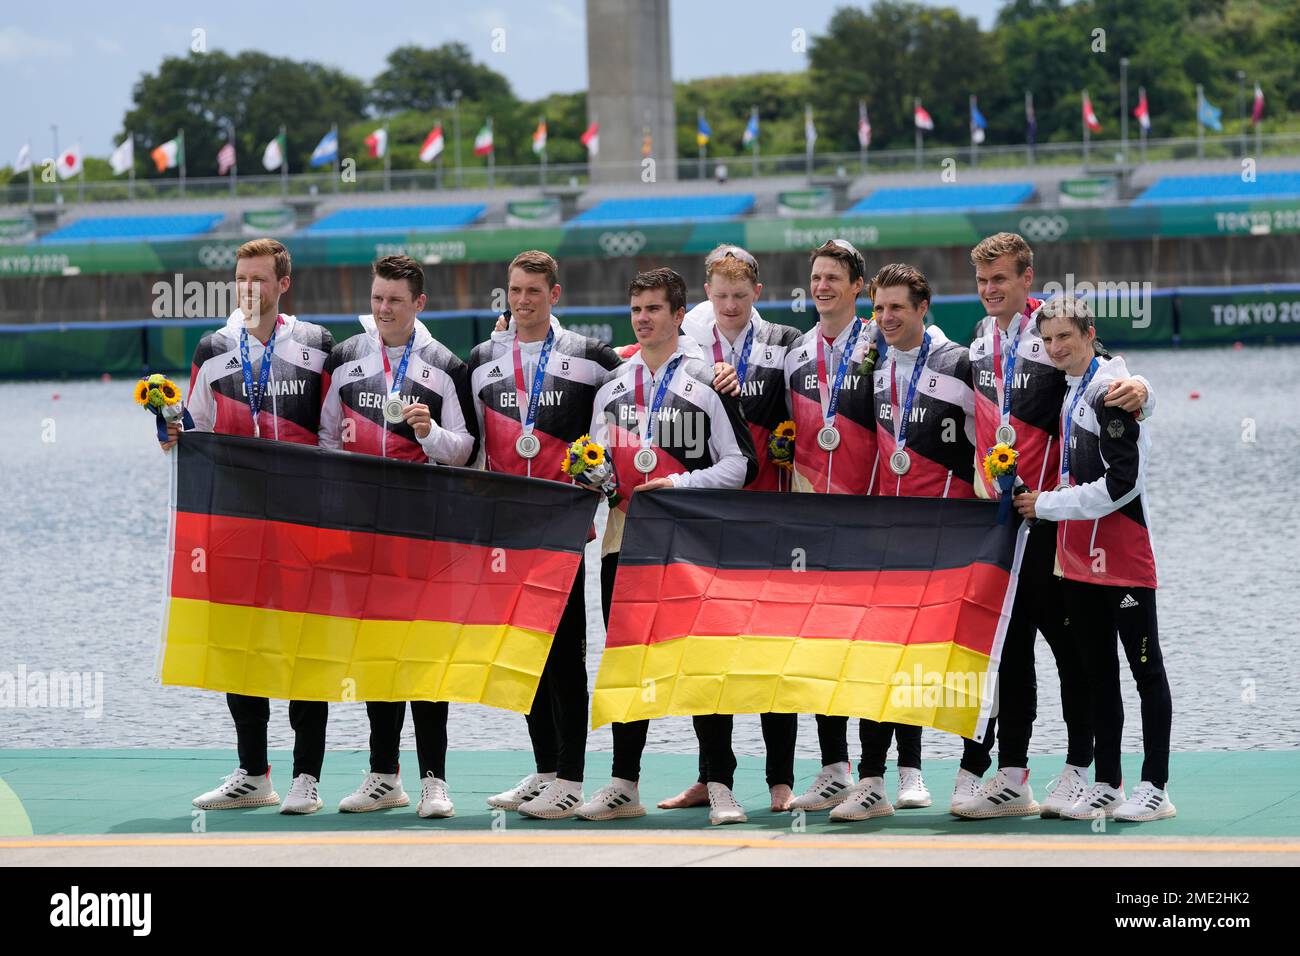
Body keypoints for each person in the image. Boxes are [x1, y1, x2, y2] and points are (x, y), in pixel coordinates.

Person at [953, 232, 1155, 819]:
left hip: (1054, 519)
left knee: (1070, 649)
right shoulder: (979, 338)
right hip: (1005, 519)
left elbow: (1116, 379)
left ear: (1027, 278)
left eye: (1001, 280)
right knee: (1011, 648)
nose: (991, 290)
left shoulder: (1054, 333)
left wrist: (1148, 389)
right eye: (983, 281)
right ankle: (1012, 774)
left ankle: (1078, 766)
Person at [576, 267, 758, 825]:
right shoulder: (611, 385)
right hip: (622, 545)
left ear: (680, 316)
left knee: (702, 665)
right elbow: (598, 461)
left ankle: (721, 784)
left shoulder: (710, 381)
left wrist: (678, 484)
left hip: (692, 547)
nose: (643, 318)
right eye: (636, 310)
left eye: (654, 309)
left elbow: (742, 465)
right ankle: (623, 785)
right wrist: (597, 478)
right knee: (628, 664)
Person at [164, 238, 335, 815]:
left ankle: (307, 777)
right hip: (237, 523)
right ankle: (252, 771)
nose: (248, 289)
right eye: (240, 278)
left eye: (260, 279)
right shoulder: (213, 349)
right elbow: (197, 433)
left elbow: (338, 433)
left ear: (283, 284)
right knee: (241, 645)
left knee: (305, 648)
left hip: (303, 525)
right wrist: (169, 432)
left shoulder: (317, 346)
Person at [318, 254, 478, 818]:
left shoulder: (444, 365)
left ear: (419, 304)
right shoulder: (343, 361)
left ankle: (435, 780)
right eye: (377, 297)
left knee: (426, 653)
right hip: (365, 533)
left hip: (426, 530)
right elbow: (324, 445)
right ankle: (384, 775)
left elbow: (467, 450)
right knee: (375, 652)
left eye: (395, 300)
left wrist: (429, 433)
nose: (384, 309)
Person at [469, 251, 624, 820]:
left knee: (565, 657)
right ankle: (545, 769)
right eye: (514, 290)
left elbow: (630, 397)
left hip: (563, 531)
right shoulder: (484, 358)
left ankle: (573, 779)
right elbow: (469, 447)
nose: (522, 300)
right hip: (509, 532)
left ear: (554, 295)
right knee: (523, 655)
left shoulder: (589, 357)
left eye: (534, 291)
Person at [782, 240, 932, 813]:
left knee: (892, 650)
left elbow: (947, 356)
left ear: (857, 287)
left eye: (833, 278)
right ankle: (834, 770)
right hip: (816, 528)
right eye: (815, 277)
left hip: (878, 522)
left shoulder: (884, 342)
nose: (821, 287)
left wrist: (1130, 382)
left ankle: (910, 770)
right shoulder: (795, 353)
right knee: (826, 651)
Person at [1014, 296, 1173, 823]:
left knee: (1146, 672)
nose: (1057, 347)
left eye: (1067, 336)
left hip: (1123, 555)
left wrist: (1047, 505)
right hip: (1078, 558)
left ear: (1089, 332)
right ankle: (1106, 783)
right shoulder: (1070, 390)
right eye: (1049, 339)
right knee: (1098, 673)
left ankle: (1156, 788)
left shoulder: (1111, 390)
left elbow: (1123, 486)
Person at [827, 263, 977, 821]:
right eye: (880, 308)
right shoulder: (876, 365)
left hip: (952, 537)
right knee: (882, 657)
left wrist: (1140, 386)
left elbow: (995, 428)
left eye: (898, 308)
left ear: (922, 308)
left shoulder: (959, 362)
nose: (886, 318)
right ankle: (872, 781)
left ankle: (959, 775)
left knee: (951, 662)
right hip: (891, 538)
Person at [658, 244, 803, 814]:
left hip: (769, 516)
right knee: (709, 654)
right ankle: (712, 776)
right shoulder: (689, 341)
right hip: (708, 520)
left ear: (758, 295)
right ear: (705, 296)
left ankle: (780, 781)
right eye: (720, 296)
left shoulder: (785, 344)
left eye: (741, 296)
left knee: (772, 656)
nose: (731, 305)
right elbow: (632, 352)